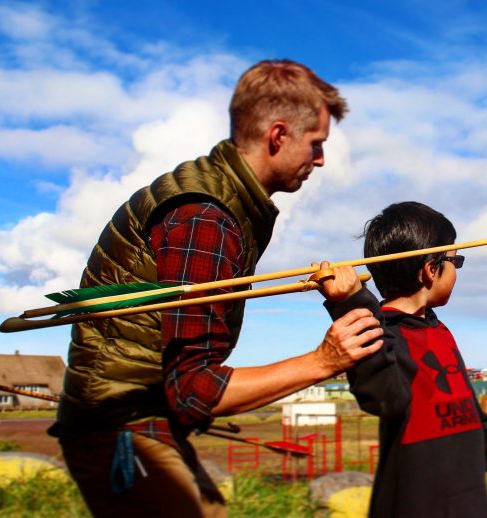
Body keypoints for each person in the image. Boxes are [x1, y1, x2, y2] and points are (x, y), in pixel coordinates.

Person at [50, 59, 383, 517]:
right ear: (278, 135)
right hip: (120, 428)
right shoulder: (205, 217)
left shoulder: (221, 196)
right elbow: (194, 390)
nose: (321, 159)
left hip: (143, 418)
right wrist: (324, 361)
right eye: (316, 144)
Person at [323, 201, 487, 518]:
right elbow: (384, 400)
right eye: (456, 261)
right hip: (413, 504)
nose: (457, 269)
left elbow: (472, 416)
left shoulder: (441, 332)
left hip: (469, 502)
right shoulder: (383, 334)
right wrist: (352, 303)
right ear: (430, 270)